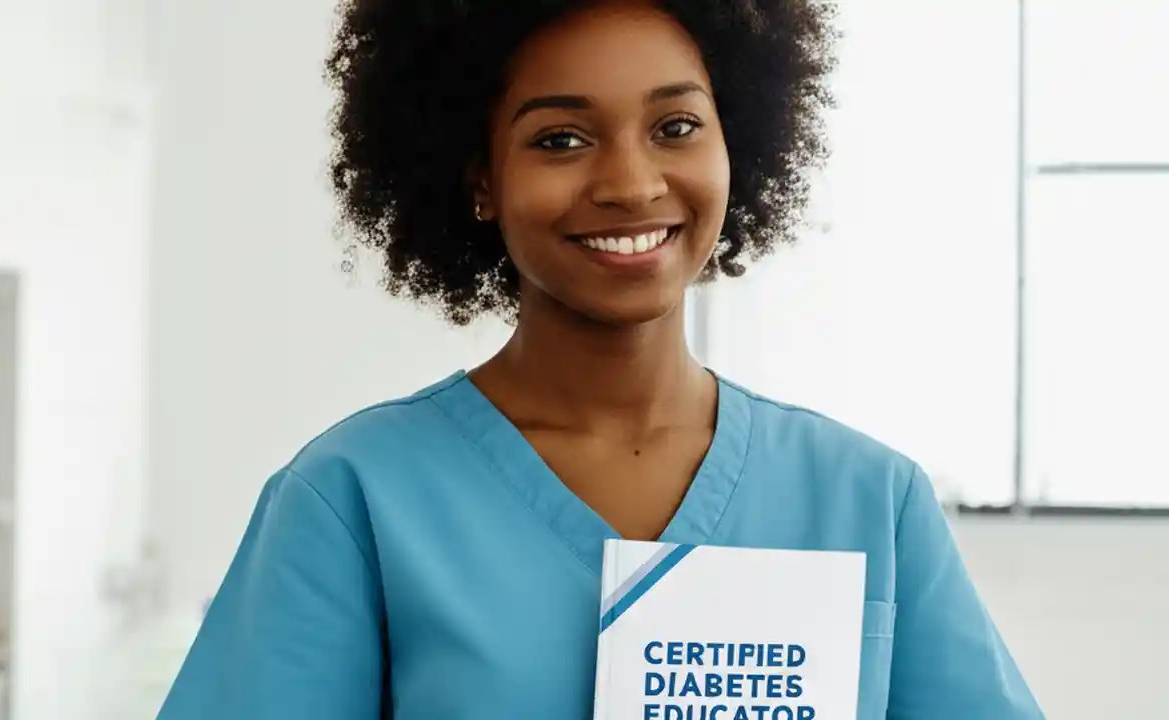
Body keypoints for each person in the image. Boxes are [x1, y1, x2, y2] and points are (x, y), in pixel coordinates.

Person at [157, 1, 1043, 718]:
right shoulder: (352, 499)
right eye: (560, 139)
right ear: (478, 178)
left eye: (677, 125)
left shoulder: (869, 501)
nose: (629, 181)